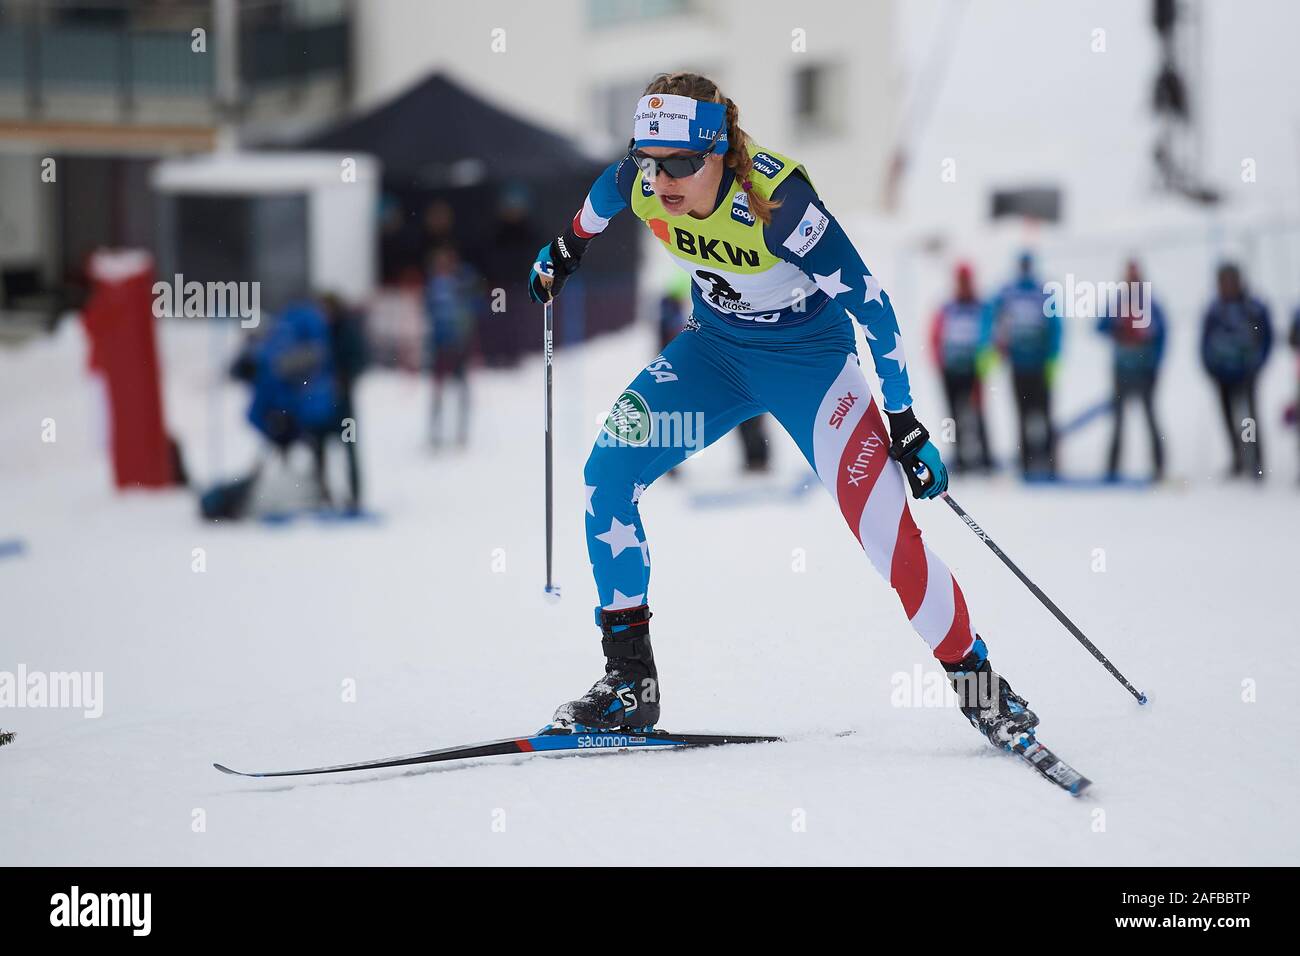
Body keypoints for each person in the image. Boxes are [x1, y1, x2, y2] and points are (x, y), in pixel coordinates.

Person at [526, 72, 1038, 750]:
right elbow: (607, 192)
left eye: (681, 162)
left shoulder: (780, 205)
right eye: (651, 161)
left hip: (811, 367)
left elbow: (874, 306)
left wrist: (906, 421)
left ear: (718, 151)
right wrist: (569, 246)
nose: (663, 180)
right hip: (713, 355)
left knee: (886, 533)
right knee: (606, 474)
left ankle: (981, 689)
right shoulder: (644, 181)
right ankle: (629, 687)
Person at [990, 251, 1062, 478]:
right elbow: (989, 316)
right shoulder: (1008, 292)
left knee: (1044, 414)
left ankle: (1049, 462)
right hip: (1018, 364)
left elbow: (1055, 326)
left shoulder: (1043, 292)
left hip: (1039, 365)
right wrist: (995, 347)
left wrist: (1052, 357)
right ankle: (1026, 463)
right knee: (1022, 415)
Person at [1095, 260, 1167, 481]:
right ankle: (1112, 469)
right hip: (1121, 370)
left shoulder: (1150, 305)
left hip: (1144, 372)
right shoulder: (1118, 303)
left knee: (1150, 418)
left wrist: (1154, 364)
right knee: (1118, 422)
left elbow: (1161, 337)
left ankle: (1159, 467)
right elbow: (1099, 327)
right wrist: (1115, 328)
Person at [1200, 263, 1272, 480]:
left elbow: (1266, 337)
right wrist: (1209, 366)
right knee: (1229, 418)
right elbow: (1205, 341)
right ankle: (1237, 459)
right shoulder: (1214, 309)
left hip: (1246, 372)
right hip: (1222, 374)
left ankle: (1255, 460)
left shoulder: (1254, 307)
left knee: (1248, 418)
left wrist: (1258, 363)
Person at [929, 262, 994, 473]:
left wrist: (984, 365)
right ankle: (958, 457)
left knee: (978, 413)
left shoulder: (981, 307)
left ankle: (985, 457)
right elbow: (935, 336)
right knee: (952, 416)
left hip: (973, 370)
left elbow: (989, 337)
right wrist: (939, 361)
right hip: (950, 370)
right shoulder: (947, 308)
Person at [425, 245, 480, 448]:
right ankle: (435, 432)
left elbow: (475, 303)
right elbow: (430, 312)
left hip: (459, 344)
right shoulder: (435, 285)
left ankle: (461, 432)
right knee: (439, 390)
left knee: (461, 389)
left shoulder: (462, 281)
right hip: (441, 344)